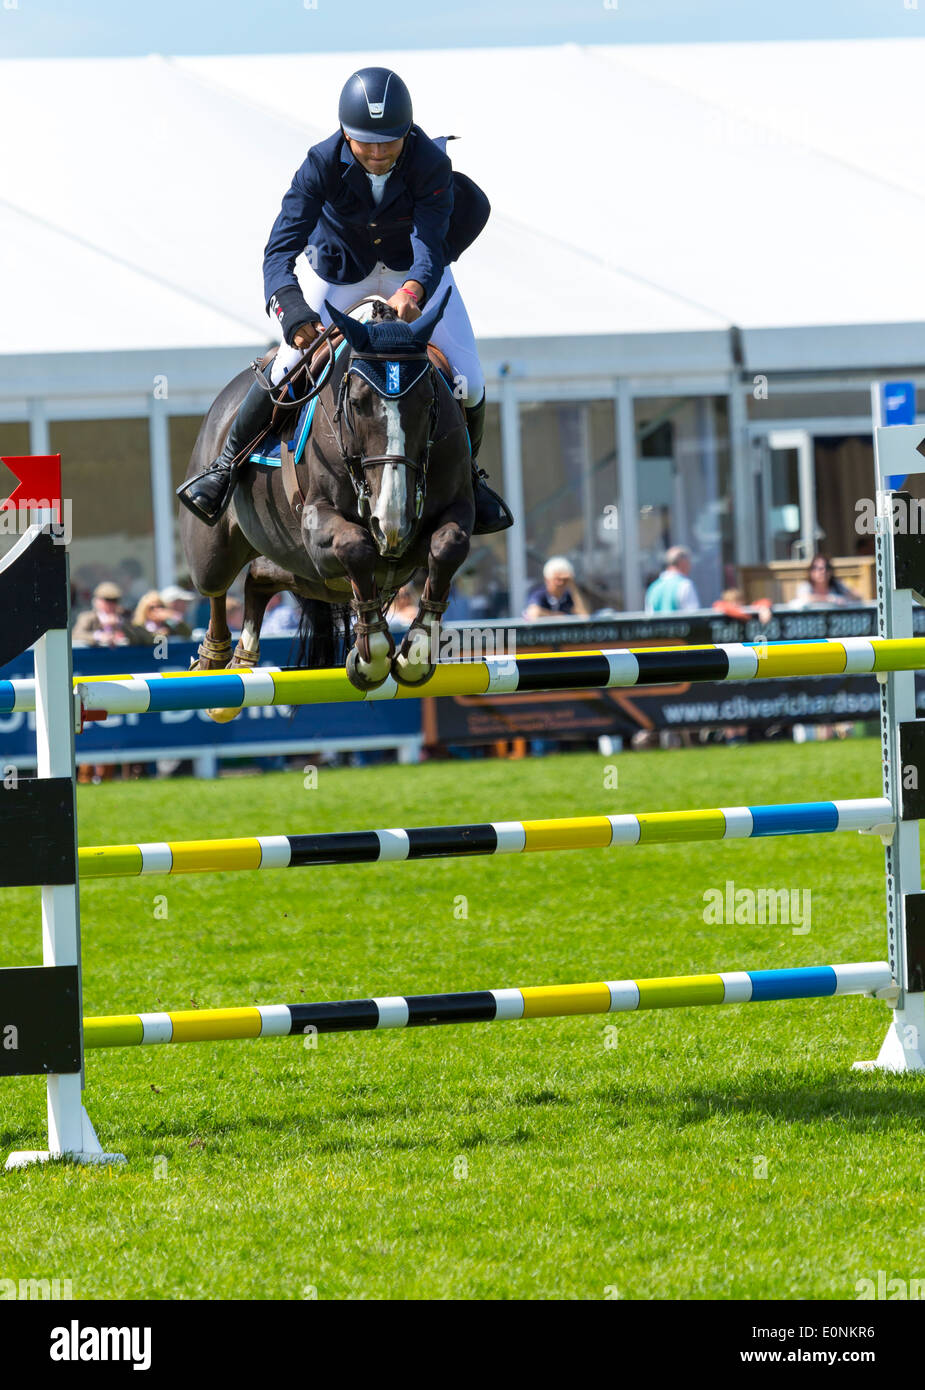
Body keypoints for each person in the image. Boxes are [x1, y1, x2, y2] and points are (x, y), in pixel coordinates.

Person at [178, 66, 512, 537]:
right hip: (338, 270)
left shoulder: (428, 163)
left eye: (388, 142)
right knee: (287, 366)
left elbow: (431, 245)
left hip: (412, 268)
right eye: (365, 143)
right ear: (345, 134)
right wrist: (294, 313)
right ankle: (225, 467)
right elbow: (278, 251)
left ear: (407, 134)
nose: (376, 154)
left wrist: (414, 289)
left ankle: (469, 480)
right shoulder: (319, 163)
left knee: (471, 380)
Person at [72, 582, 139, 647]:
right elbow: (76, 634)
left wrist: (121, 628)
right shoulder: (88, 617)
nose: (111, 604)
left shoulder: (125, 616)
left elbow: (139, 635)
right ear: (97, 600)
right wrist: (99, 636)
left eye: (114, 600)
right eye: (107, 600)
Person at [523, 557, 589, 620]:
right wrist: (557, 617)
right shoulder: (539, 593)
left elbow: (585, 616)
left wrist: (573, 586)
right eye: (557, 579)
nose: (561, 583)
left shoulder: (569, 596)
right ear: (547, 580)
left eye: (565, 580)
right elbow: (533, 613)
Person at [790, 554, 862, 608]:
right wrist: (831, 599)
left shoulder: (837, 585)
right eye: (818, 568)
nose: (823, 571)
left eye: (826, 568)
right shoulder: (805, 586)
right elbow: (805, 598)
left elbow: (858, 597)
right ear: (811, 571)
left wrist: (845, 599)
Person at [644, 546, 701, 613]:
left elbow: (649, 615)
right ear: (683, 563)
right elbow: (693, 615)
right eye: (689, 562)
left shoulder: (654, 587)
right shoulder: (685, 585)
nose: (690, 566)